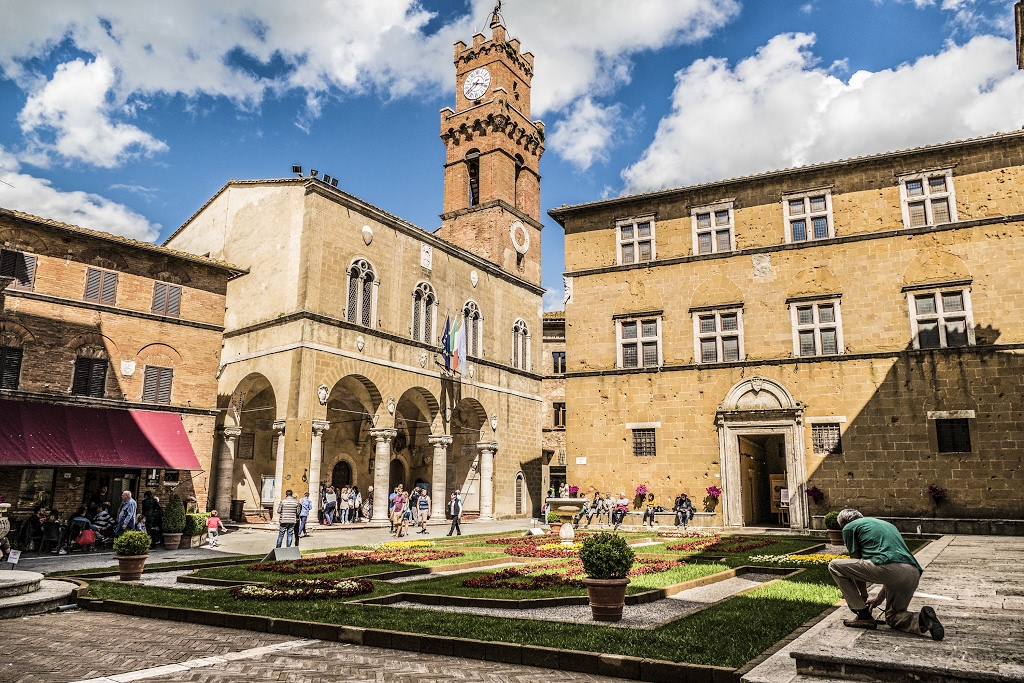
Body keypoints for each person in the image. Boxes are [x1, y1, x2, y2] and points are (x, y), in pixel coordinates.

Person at [827, 509, 944, 640]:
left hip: (889, 569)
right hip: (913, 572)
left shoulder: (849, 527)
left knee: (834, 566)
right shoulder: (886, 525)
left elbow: (856, 560)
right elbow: (894, 569)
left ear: (844, 522)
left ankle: (862, 615)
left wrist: (863, 595)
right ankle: (923, 619)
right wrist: (878, 599)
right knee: (892, 617)